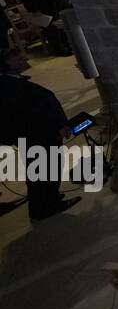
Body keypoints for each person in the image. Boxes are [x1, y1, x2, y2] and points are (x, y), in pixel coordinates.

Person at [0, 47, 80, 220]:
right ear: (7, 63)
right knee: (44, 170)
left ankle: (45, 201)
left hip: (34, 133)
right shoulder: (8, 86)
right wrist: (57, 125)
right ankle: (47, 206)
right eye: (18, 59)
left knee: (42, 170)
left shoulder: (11, 83)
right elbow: (34, 110)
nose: (24, 59)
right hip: (36, 133)